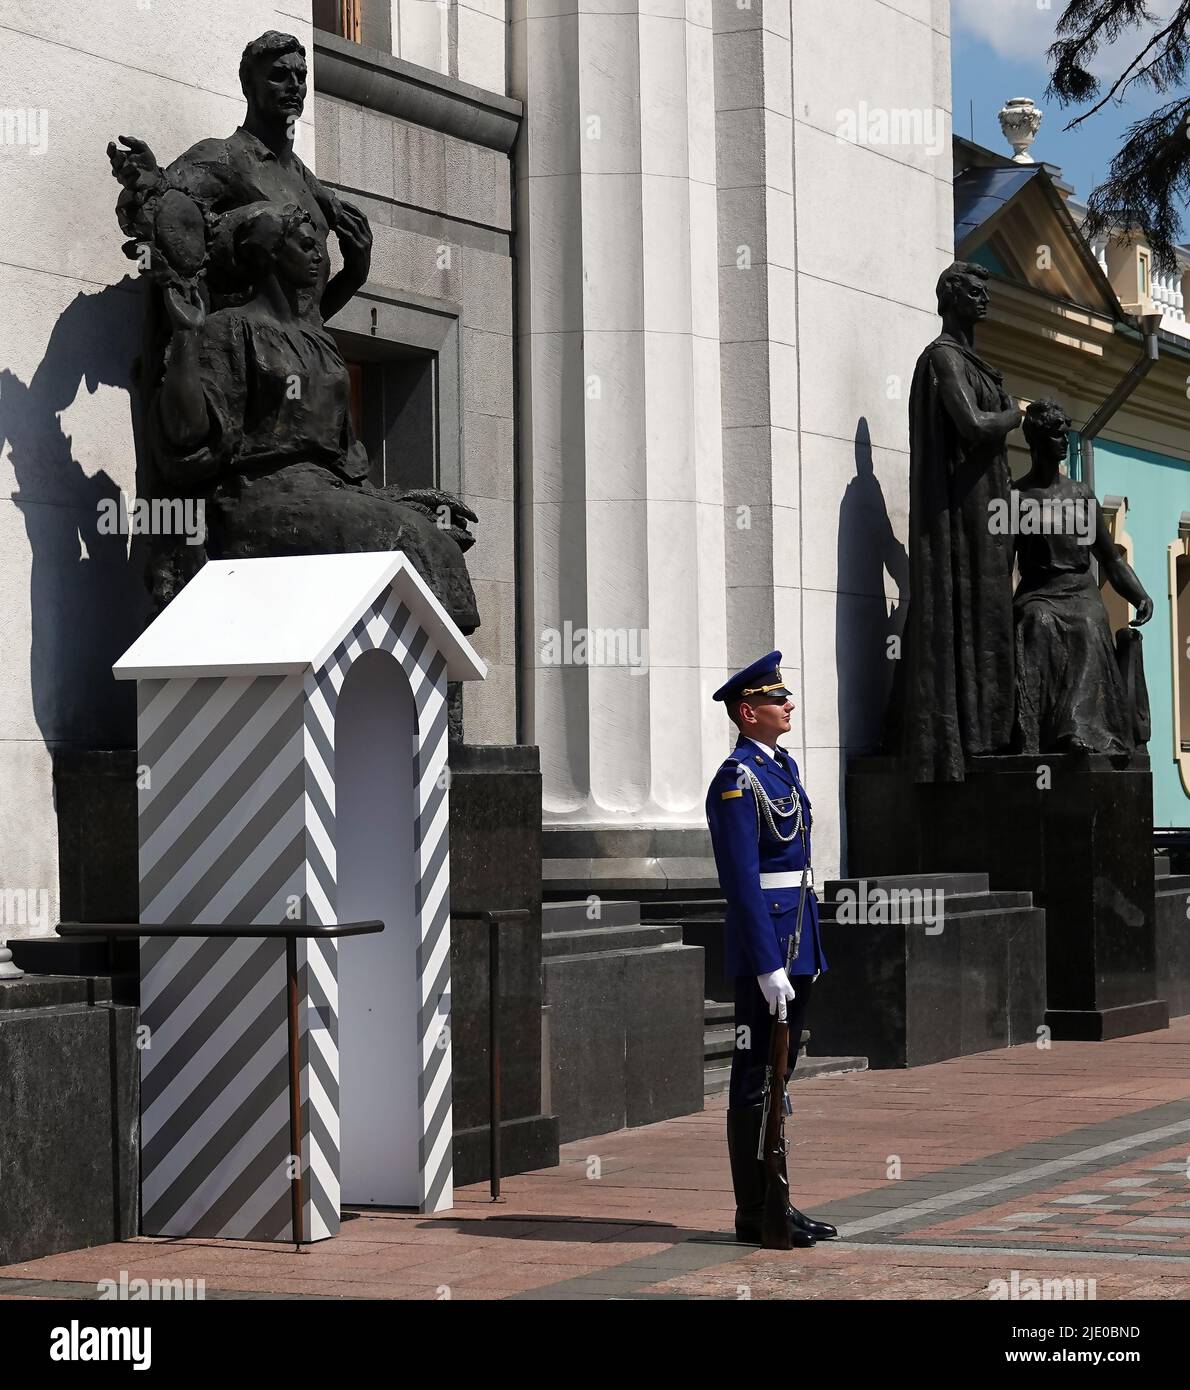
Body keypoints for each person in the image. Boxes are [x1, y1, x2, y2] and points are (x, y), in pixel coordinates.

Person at [152, 200, 480, 633]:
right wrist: (186, 340)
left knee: (439, 535)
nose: (318, 255)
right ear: (269, 253)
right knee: (410, 538)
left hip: (327, 491)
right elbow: (190, 437)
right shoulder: (228, 328)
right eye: (305, 245)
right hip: (259, 496)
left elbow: (346, 459)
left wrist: (393, 497)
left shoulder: (318, 340)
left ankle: (433, 691)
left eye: (320, 247)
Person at [705, 652, 837, 1248]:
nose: (788, 705)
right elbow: (741, 882)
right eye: (775, 698)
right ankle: (755, 1209)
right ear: (746, 711)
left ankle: (778, 1201)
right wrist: (765, 963)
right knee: (756, 1074)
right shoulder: (736, 781)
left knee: (780, 1073)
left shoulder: (780, 768)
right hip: (771, 946)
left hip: (799, 934)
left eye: (785, 696)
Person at [894, 261, 1023, 782]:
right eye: (973, 291)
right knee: (974, 605)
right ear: (948, 298)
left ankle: (993, 727)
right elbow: (971, 424)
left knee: (993, 608)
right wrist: (1013, 417)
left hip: (988, 503)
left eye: (984, 291)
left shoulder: (972, 360)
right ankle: (969, 731)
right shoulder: (943, 359)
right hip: (965, 511)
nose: (983, 300)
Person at [1012, 398, 1153, 754]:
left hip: (1080, 592)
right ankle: (1030, 738)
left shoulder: (1080, 496)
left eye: (1066, 433)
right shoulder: (1016, 497)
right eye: (1057, 434)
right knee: (1036, 623)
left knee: (1091, 625)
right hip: (1038, 593)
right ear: (1038, 440)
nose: (1065, 440)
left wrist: (1139, 595)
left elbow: (1110, 559)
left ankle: (1079, 730)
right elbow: (1002, 564)